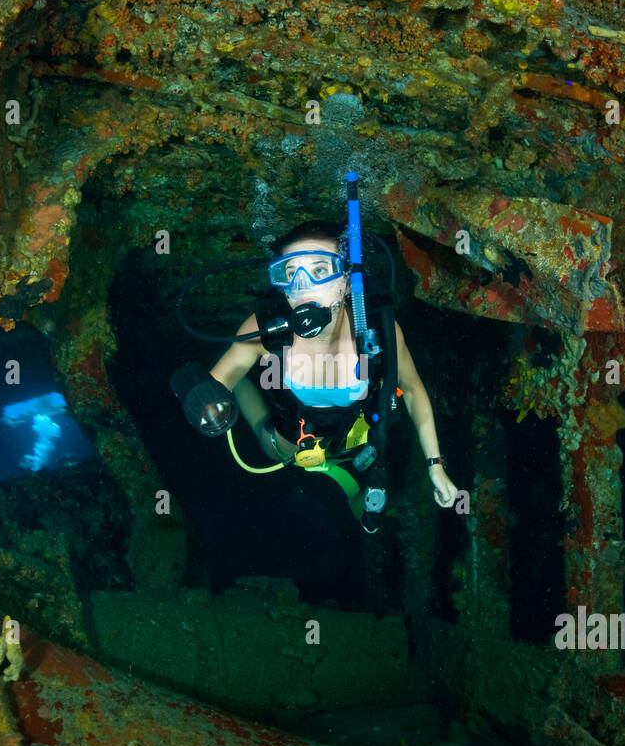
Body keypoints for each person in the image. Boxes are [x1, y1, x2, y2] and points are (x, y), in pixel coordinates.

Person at [175, 220, 459, 522]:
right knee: (249, 401)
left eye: (320, 270)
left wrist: (435, 465)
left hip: (354, 449)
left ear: (348, 280)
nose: (301, 285)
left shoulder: (377, 330)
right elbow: (211, 389)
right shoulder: (265, 330)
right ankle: (247, 378)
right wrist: (202, 399)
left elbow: (413, 390)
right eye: (289, 272)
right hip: (284, 449)